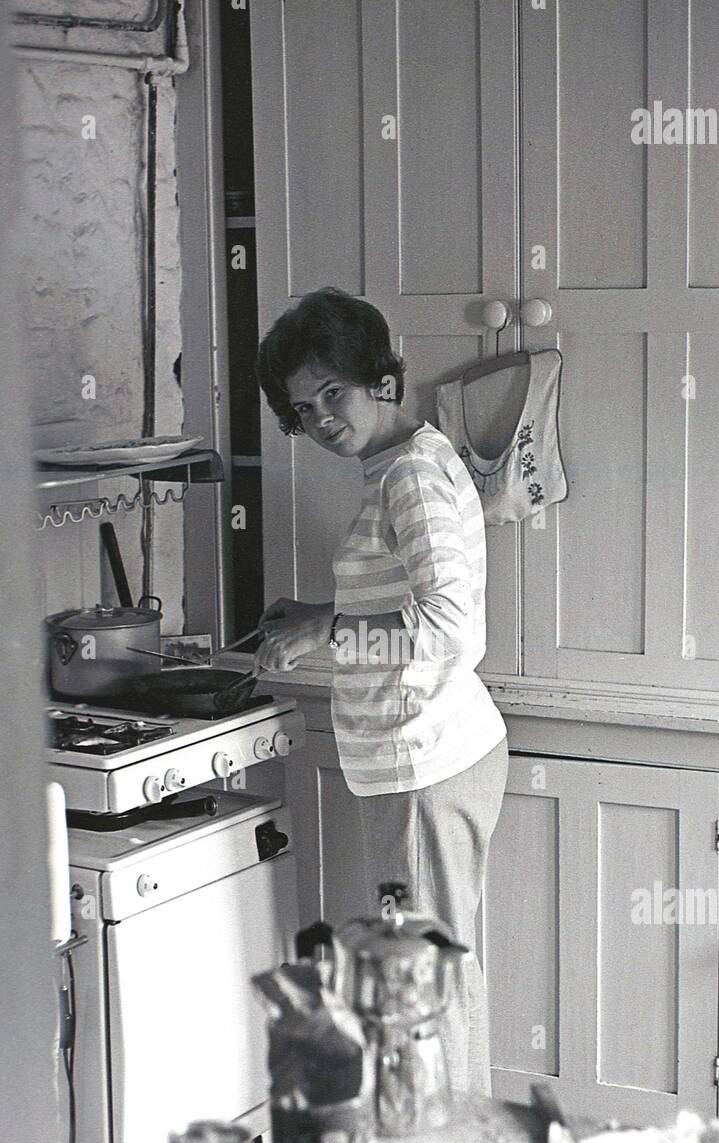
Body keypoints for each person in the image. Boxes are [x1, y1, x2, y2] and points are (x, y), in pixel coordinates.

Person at [254, 287, 508, 1093]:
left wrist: (328, 634)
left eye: (334, 392)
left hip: (426, 769)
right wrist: (326, 611)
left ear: (382, 381)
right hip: (421, 765)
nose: (322, 417)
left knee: (421, 985)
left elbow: (449, 630)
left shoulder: (412, 479)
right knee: (430, 972)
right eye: (303, 406)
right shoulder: (400, 466)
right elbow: (404, 603)